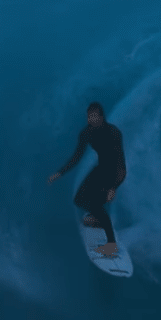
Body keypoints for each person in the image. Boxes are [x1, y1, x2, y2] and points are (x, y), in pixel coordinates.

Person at [47, 102, 126, 258]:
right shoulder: (86, 134)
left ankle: (111, 245)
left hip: (113, 172)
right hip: (100, 170)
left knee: (96, 204)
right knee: (79, 200)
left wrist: (114, 187)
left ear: (102, 117)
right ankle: (97, 220)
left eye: (95, 116)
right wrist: (60, 173)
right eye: (90, 116)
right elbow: (76, 158)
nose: (92, 119)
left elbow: (121, 164)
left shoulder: (114, 133)